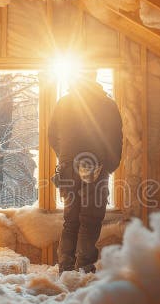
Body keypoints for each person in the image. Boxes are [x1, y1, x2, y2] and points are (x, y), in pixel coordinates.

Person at [48, 72, 123, 274]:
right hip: (95, 166)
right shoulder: (107, 105)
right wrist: (107, 166)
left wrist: (65, 158)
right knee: (89, 221)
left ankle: (65, 269)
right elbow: (115, 141)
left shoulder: (63, 103)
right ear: (94, 77)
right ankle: (83, 270)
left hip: (67, 168)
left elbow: (52, 136)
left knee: (71, 220)